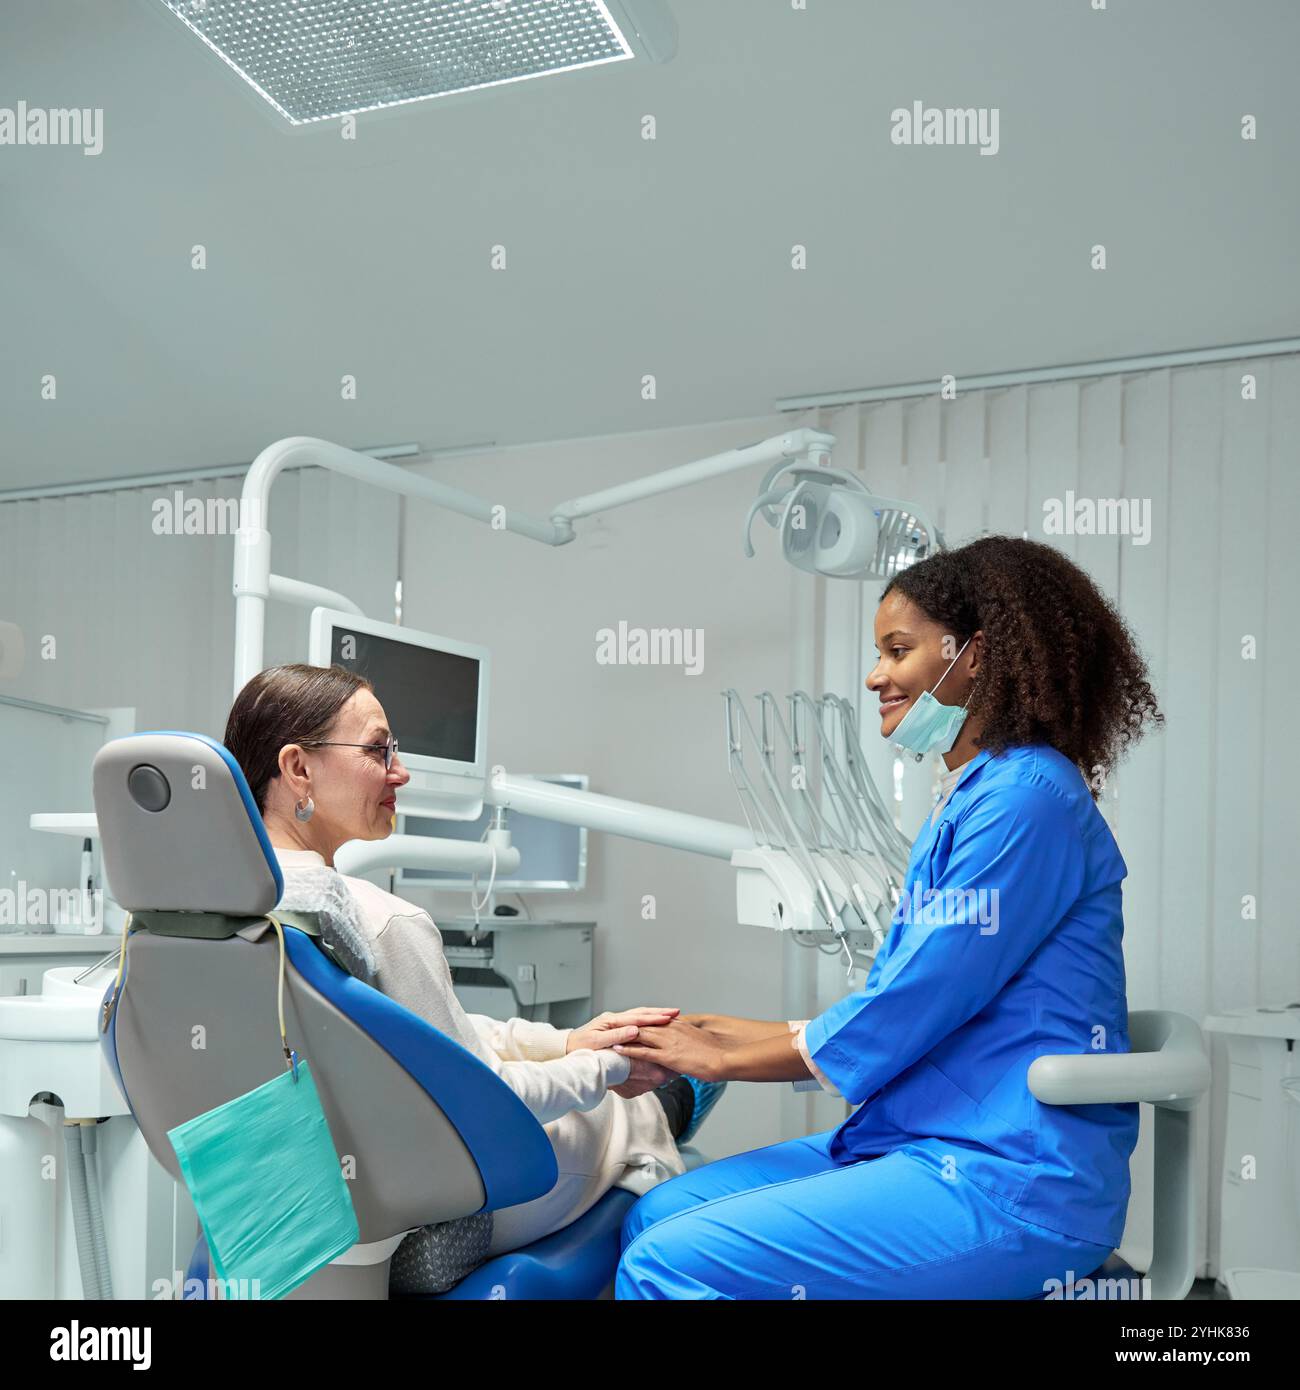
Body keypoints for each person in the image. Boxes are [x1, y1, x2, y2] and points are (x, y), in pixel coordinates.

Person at [614, 536, 1164, 1299]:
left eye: (897, 650)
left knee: (667, 1261)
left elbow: (915, 1003)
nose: (875, 675)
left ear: (974, 653)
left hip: (1011, 1177)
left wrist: (725, 1058)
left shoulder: (1026, 801)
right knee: (655, 1213)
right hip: (929, 1143)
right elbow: (900, 998)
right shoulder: (971, 799)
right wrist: (712, 1030)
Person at [222, 662, 725, 1263]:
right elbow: (483, 1097)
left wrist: (566, 1045)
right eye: (379, 751)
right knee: (666, 1082)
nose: (399, 772)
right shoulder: (384, 921)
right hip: (437, 1210)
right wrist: (609, 1071)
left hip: (306, 1199)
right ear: (298, 768)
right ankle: (665, 1107)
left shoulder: (221, 913)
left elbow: (416, 1034)